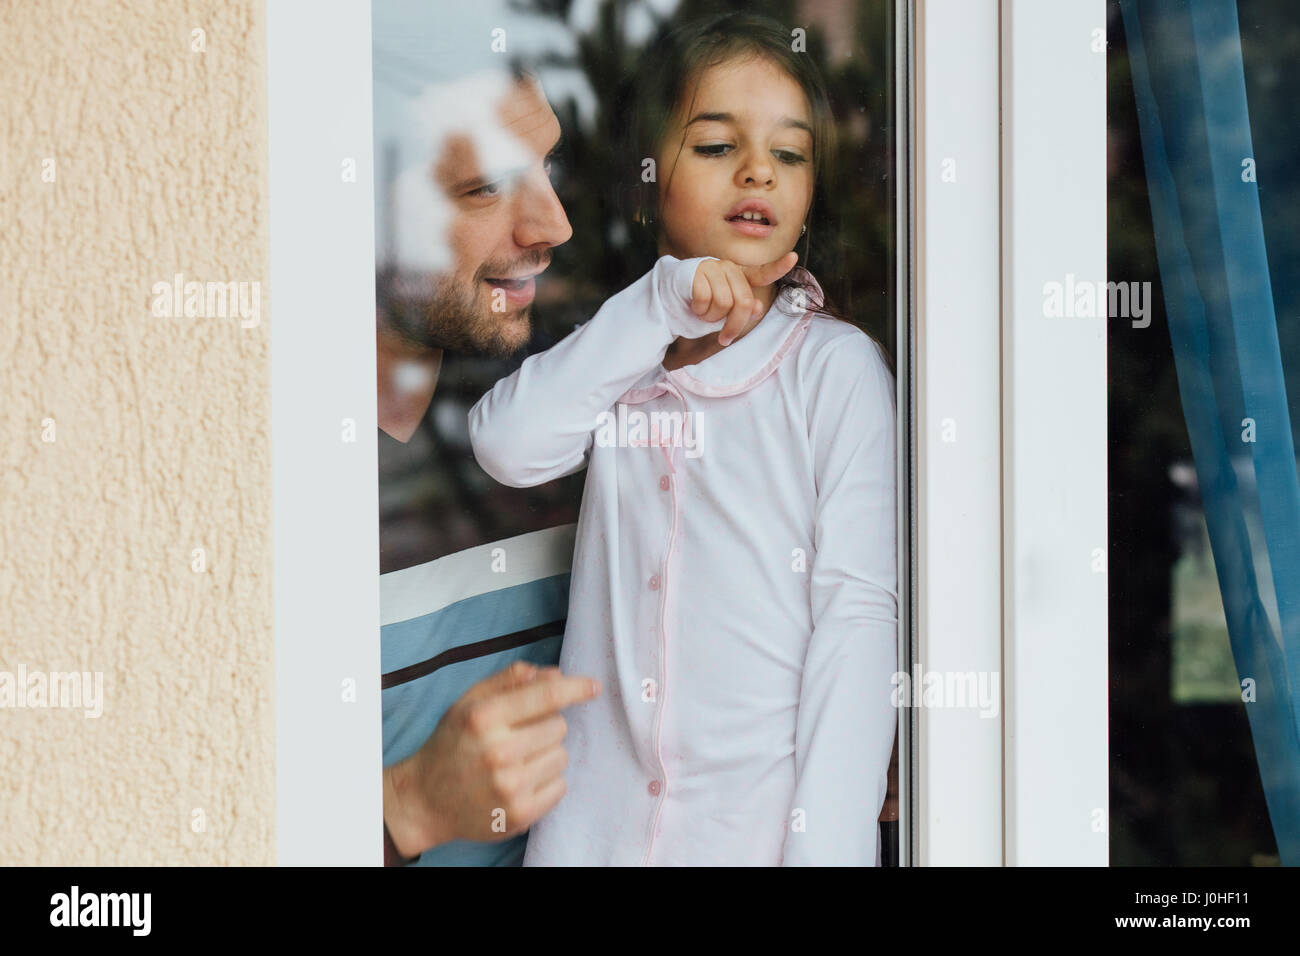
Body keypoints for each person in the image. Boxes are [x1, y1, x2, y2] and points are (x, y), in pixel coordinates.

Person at [468, 13, 898, 865]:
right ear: (645, 180)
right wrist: (658, 306)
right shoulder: (624, 357)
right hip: (591, 841)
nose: (756, 172)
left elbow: (857, 623)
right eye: (714, 147)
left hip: (753, 840)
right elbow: (507, 445)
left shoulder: (835, 371)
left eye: (790, 153)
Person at [377, 69, 599, 867]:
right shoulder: (239, 468)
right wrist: (410, 806)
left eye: (549, 170)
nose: (555, 225)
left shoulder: (561, 416)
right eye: (486, 188)